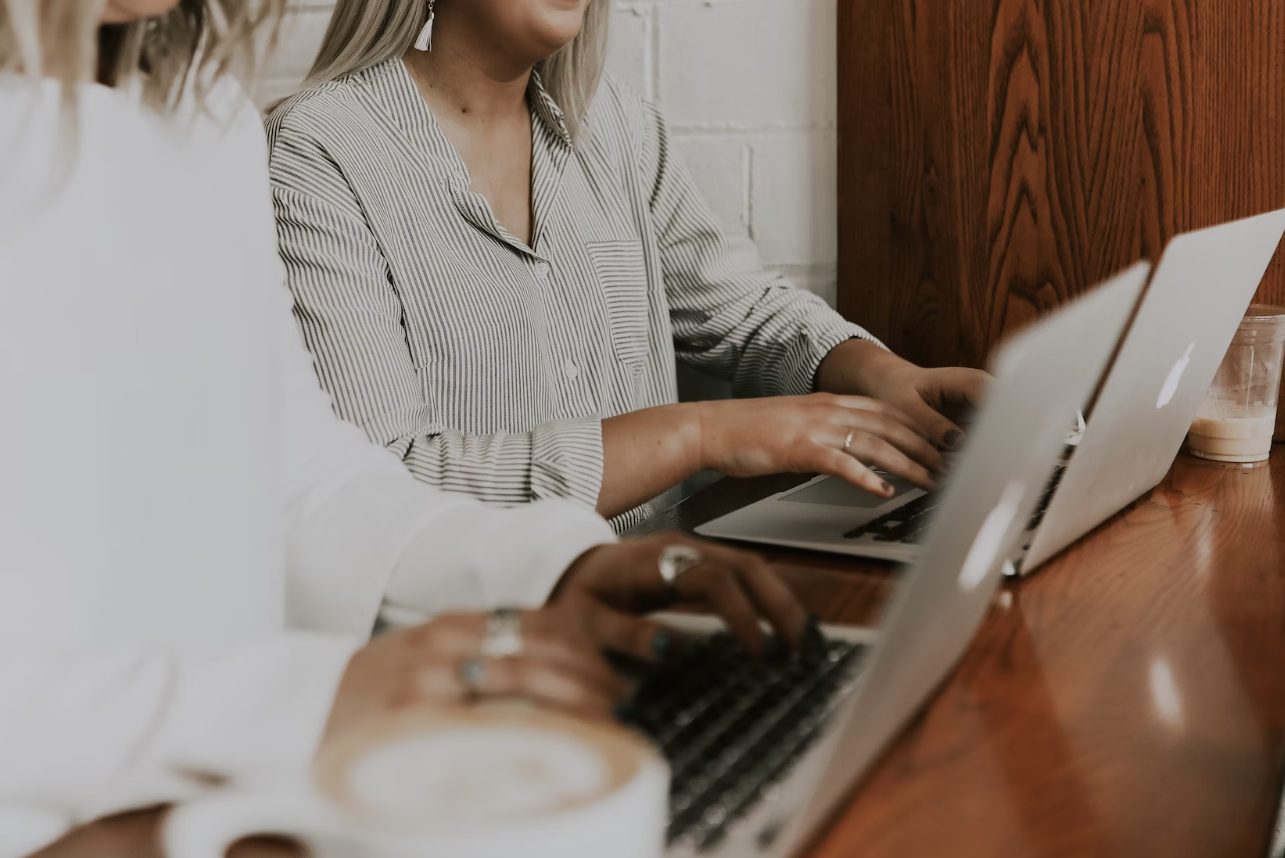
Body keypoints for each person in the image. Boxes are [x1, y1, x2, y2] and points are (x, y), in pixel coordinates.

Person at [0, 1, 807, 854]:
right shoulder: (308, 142)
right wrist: (312, 698)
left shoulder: (202, 126)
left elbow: (305, 473)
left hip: (233, 812)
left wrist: (556, 566)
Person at [265, 0, 989, 530]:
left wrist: (894, 382)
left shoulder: (615, 129)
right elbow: (384, 485)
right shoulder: (319, 153)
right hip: (481, 655)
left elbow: (744, 311)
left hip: (669, 597)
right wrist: (701, 435)